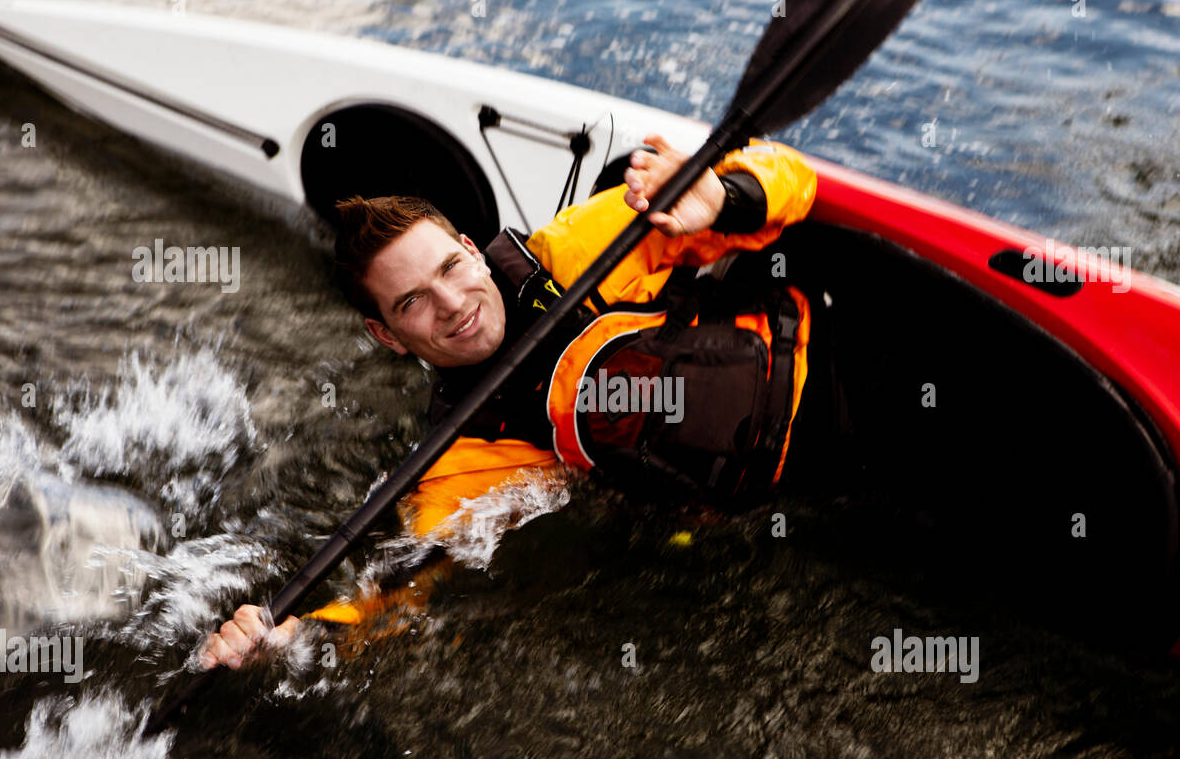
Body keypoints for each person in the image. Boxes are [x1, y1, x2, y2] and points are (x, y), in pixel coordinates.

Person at [201, 133, 839, 671]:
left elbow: (790, 172)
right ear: (386, 335)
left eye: (450, 268)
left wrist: (721, 199)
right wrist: (290, 639)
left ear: (474, 251)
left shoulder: (580, 251)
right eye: (411, 301)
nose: (452, 304)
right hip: (803, 500)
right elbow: (395, 596)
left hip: (832, 362)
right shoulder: (464, 452)